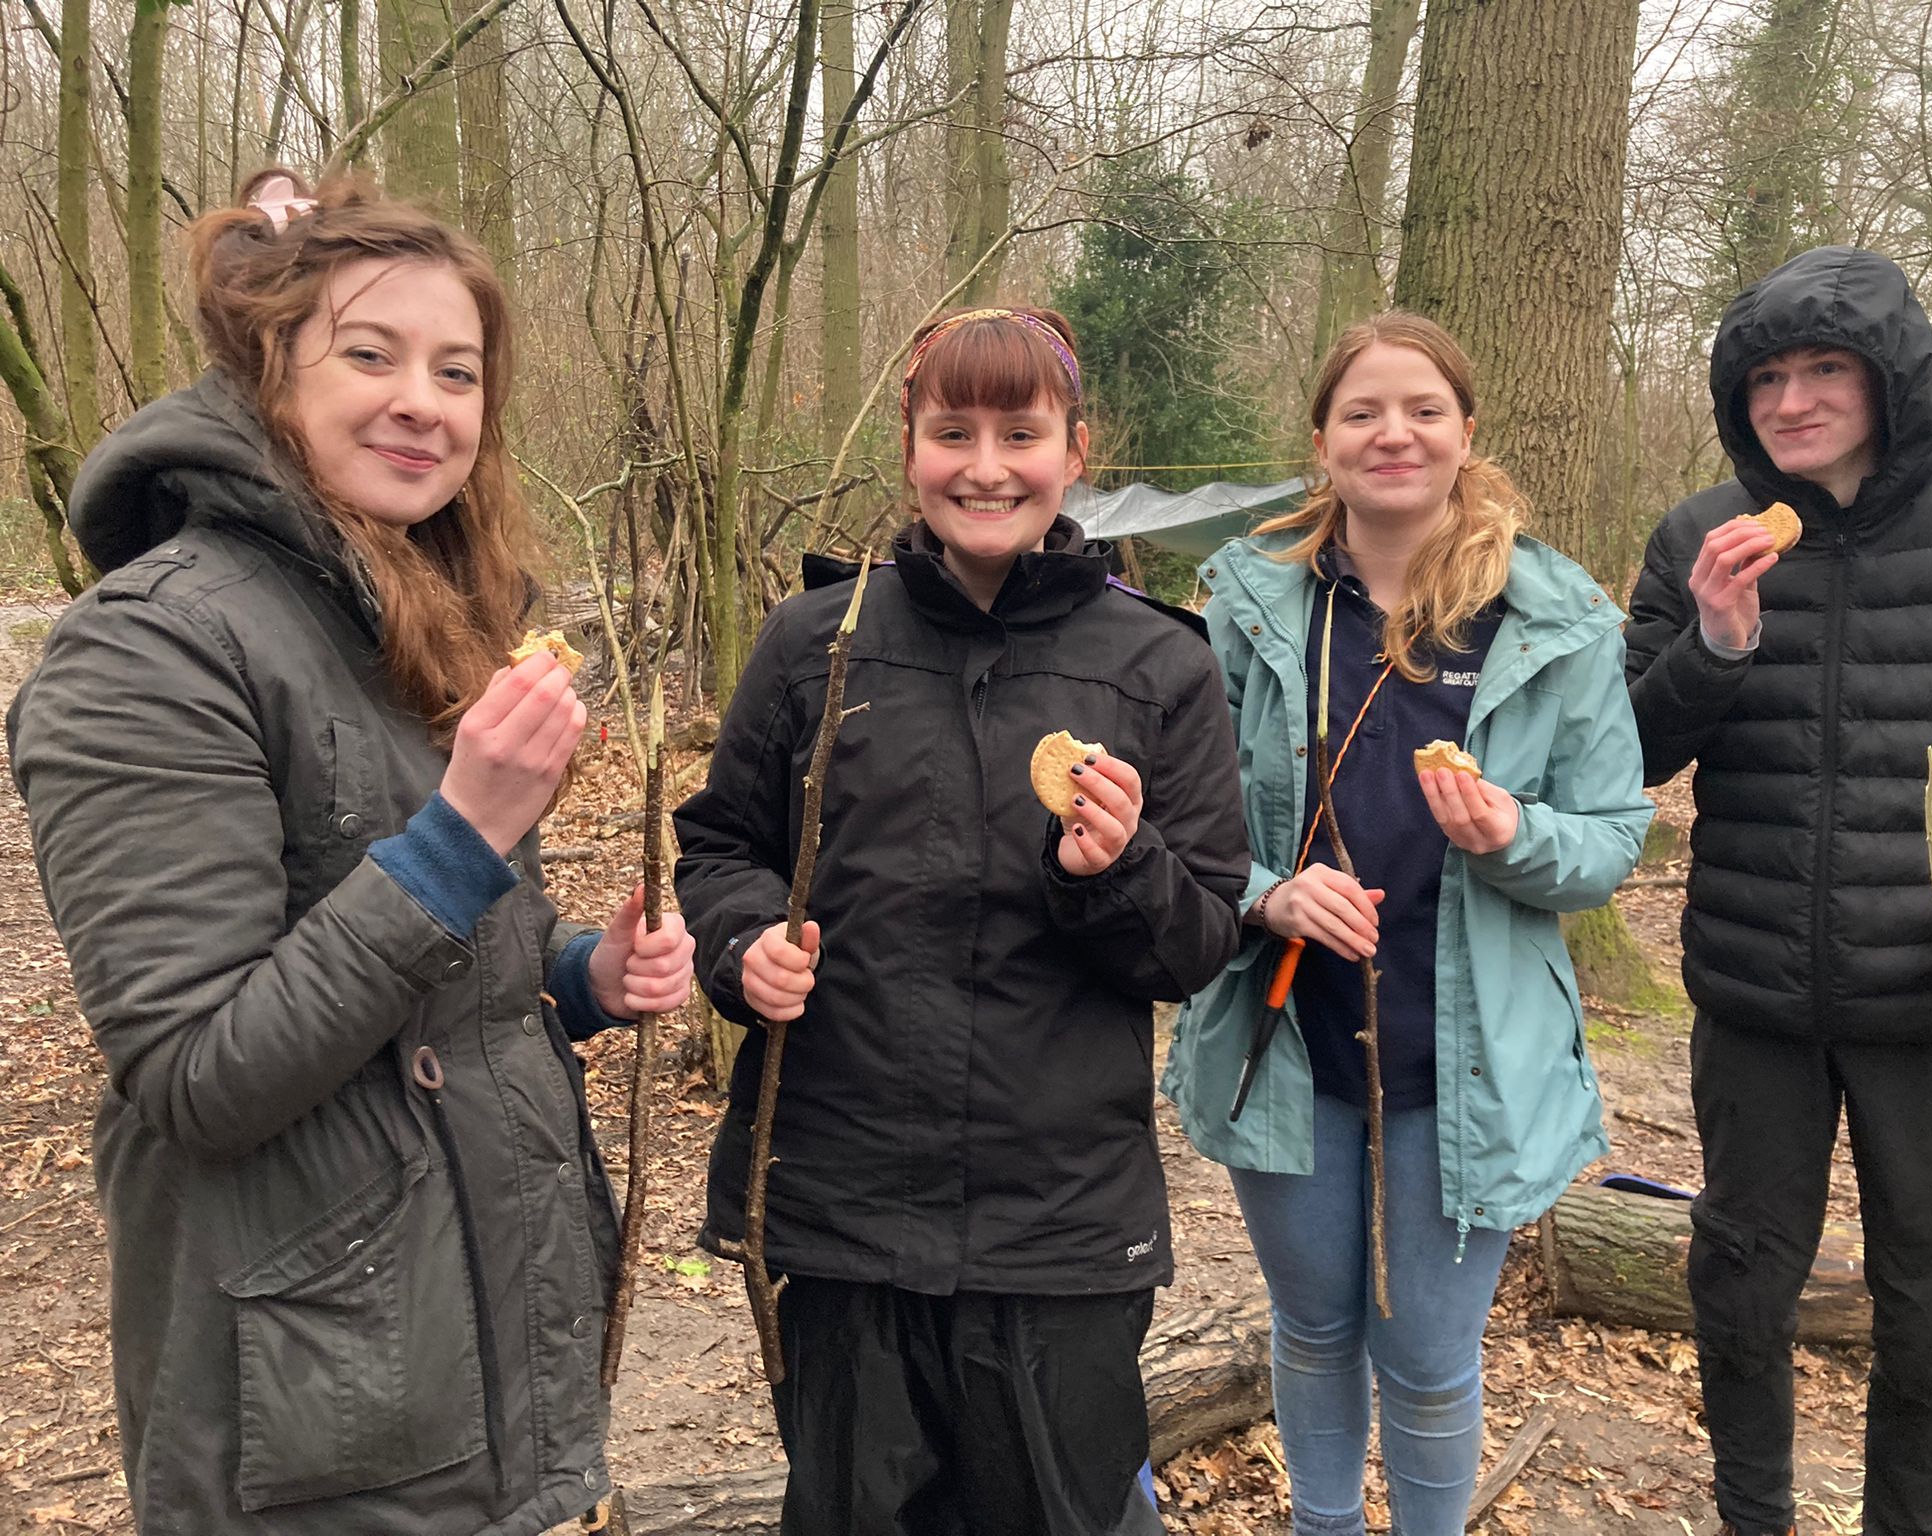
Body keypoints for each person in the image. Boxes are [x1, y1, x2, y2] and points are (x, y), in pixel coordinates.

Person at [7, 169, 695, 1535]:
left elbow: (423, 986)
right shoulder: (147, 648)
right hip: (320, 1415)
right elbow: (200, 1072)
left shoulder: (418, 613)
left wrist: (574, 979)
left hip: (489, 1357)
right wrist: (468, 832)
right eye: (370, 355)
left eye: (458, 371)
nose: (423, 402)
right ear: (271, 370)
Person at [674, 305, 1250, 1535]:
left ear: (1075, 449)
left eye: (1020, 433)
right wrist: (741, 946)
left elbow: (1198, 941)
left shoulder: (1161, 668)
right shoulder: (814, 641)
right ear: (909, 447)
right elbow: (721, 845)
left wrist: (1116, 869)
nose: (985, 467)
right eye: (952, 432)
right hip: (839, 1205)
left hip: (1059, 1231)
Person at [1163, 312, 1651, 1536]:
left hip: (1466, 1063)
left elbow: (1610, 837)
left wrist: (1511, 833)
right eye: (1362, 412)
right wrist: (1265, 892)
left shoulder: (1557, 619)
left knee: (1427, 1361)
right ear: (1321, 441)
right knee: (1313, 1329)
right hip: (1287, 1043)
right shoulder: (1251, 602)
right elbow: (1185, 820)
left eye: (1423, 410)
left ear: (1464, 433)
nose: (1394, 433)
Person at [1625, 246, 1932, 1536]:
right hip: (1753, 992)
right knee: (1739, 1280)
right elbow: (1624, 753)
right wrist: (1714, 641)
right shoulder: (1698, 533)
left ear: (1890, 377)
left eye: (1823, 370)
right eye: (1763, 377)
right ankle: (1750, 1517)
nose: (1789, 401)